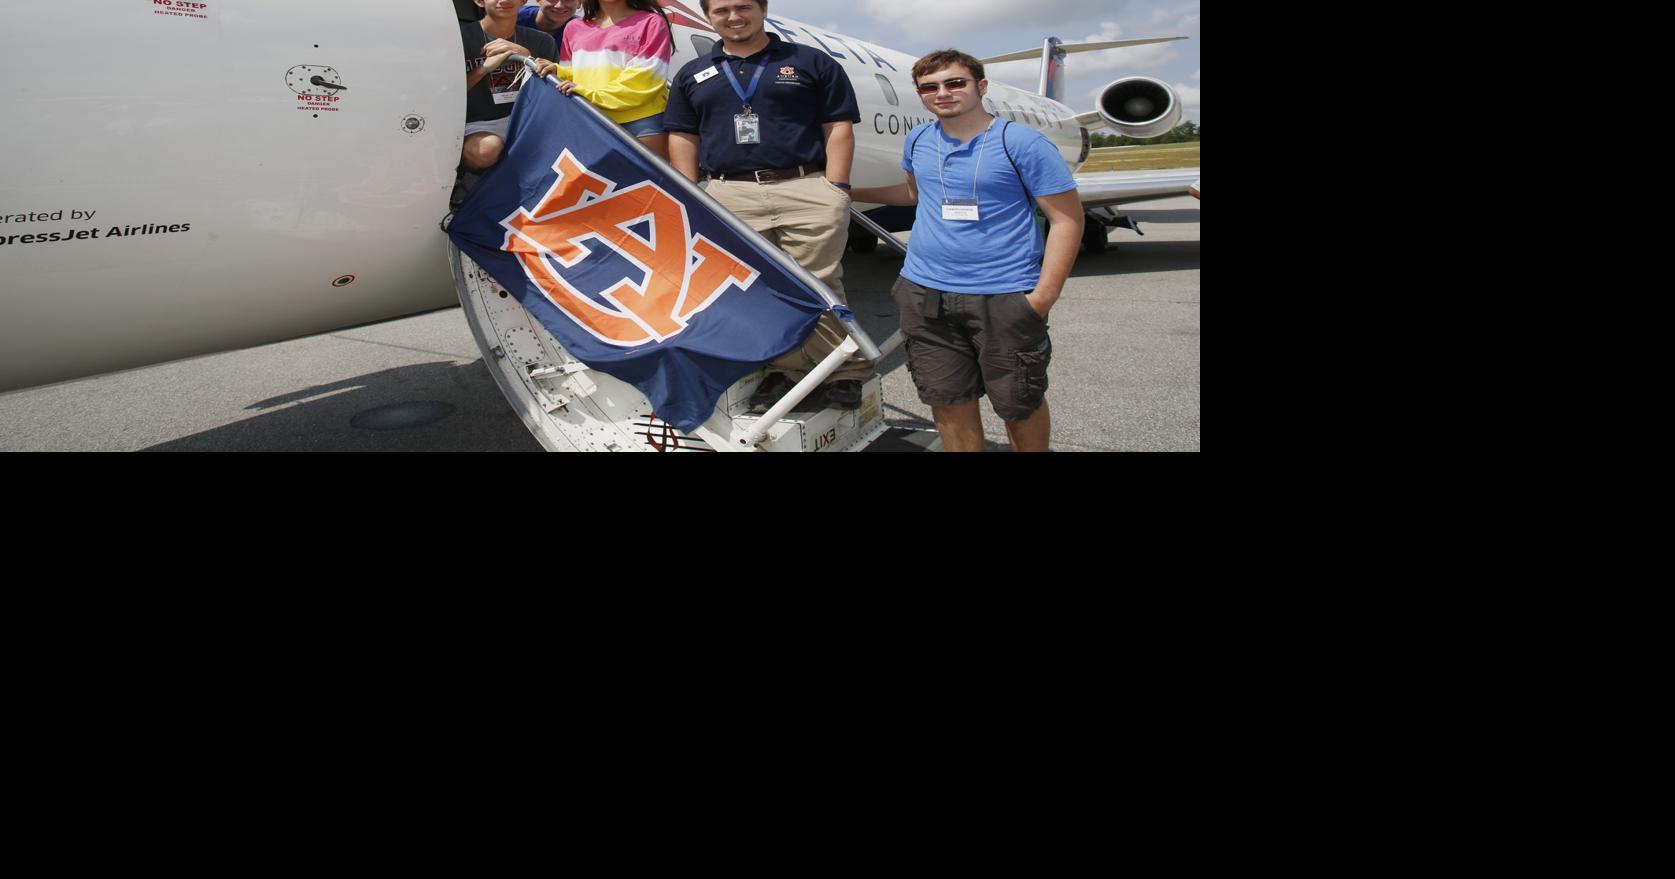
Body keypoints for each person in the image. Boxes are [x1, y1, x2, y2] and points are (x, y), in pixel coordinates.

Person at [850, 50, 1083, 452]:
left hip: (1003, 295)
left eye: (955, 83)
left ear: (981, 87)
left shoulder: (1022, 143)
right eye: (930, 87)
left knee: (1018, 403)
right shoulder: (919, 139)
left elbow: (1067, 220)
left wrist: (1042, 297)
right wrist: (849, 193)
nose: (943, 93)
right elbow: (914, 194)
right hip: (924, 293)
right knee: (946, 398)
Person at [662, 0, 872, 413]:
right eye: (721, 10)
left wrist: (837, 188)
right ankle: (785, 368)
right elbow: (683, 136)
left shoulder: (810, 62)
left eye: (743, 7)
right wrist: (690, 194)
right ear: (709, 16)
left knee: (821, 283)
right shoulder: (693, 74)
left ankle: (846, 371)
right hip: (728, 194)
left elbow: (838, 126)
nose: (733, 17)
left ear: (763, 10)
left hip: (804, 186)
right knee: (756, 288)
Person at [554, 0, 674, 160]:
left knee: (644, 185)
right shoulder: (573, 28)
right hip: (591, 120)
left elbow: (646, 79)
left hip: (640, 124)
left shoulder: (652, 22)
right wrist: (556, 70)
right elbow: (574, 73)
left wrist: (591, 96)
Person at [461, 0, 558, 172]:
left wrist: (528, 58)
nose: (505, 1)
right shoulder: (459, 38)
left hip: (525, 121)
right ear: (479, 1)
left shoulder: (542, 41)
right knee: (487, 150)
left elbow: (552, 96)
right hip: (476, 124)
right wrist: (484, 69)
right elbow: (443, 95)